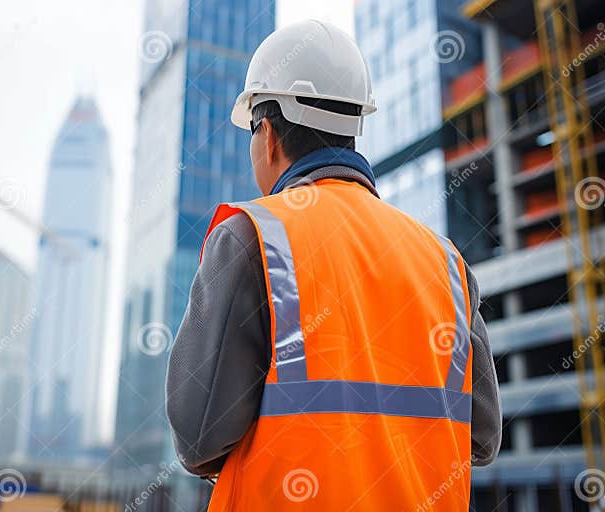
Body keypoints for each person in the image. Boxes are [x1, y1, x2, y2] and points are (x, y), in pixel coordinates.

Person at [166, 20, 501, 511]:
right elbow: (483, 437)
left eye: (252, 130)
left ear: (270, 134)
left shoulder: (251, 237)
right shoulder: (444, 260)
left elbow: (198, 437)